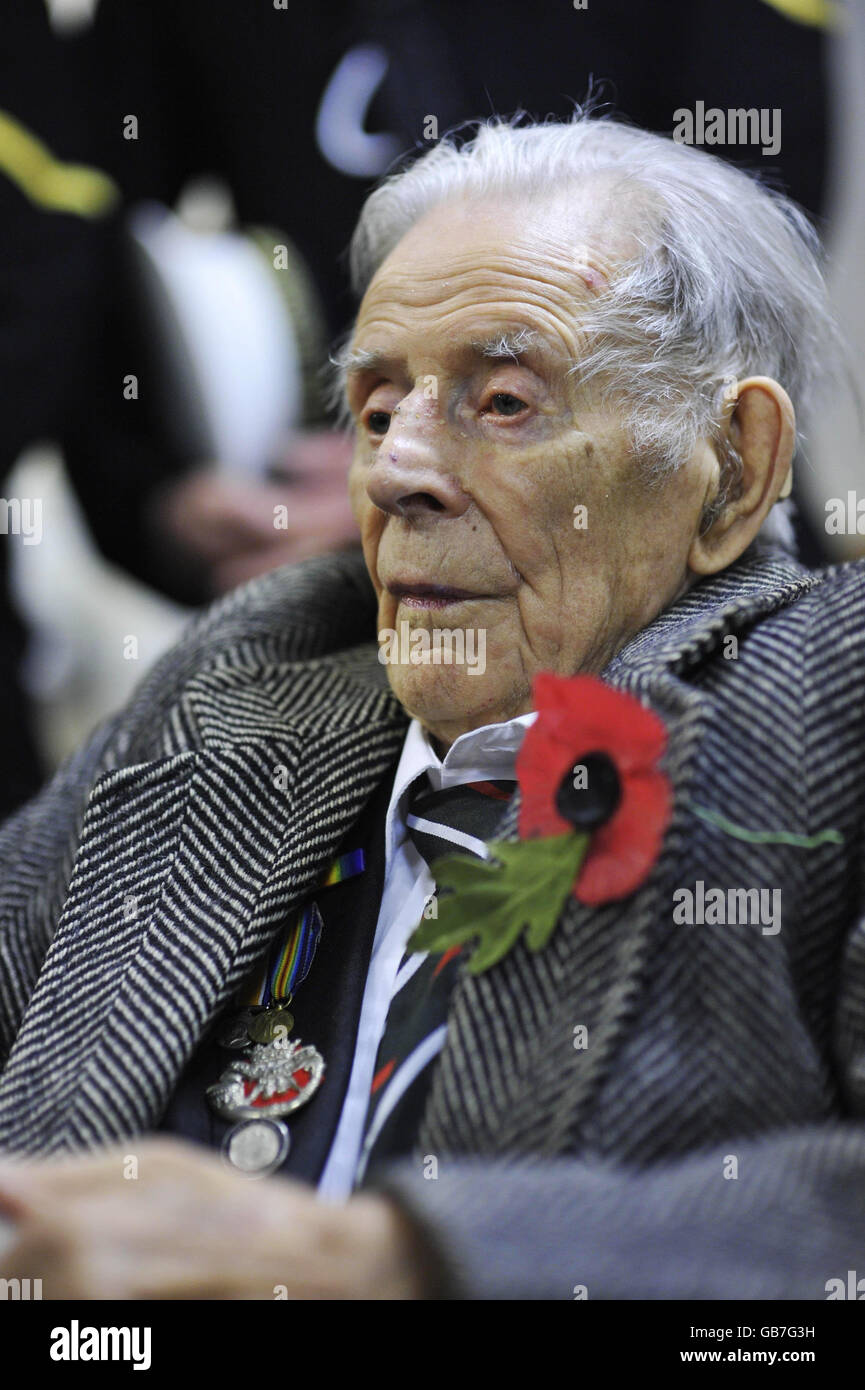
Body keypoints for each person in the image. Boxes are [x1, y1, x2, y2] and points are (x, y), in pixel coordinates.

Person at [0, 113, 863, 1301]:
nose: (395, 470)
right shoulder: (247, 677)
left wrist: (392, 1264)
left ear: (731, 461)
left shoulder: (830, 696)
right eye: (374, 408)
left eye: (504, 400)